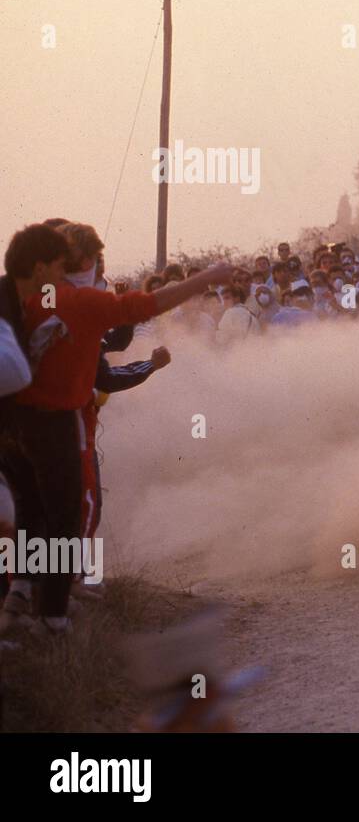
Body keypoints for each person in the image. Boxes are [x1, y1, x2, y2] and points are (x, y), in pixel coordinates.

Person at [1, 225, 231, 634]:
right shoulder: (81, 301)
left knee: (29, 510)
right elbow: (148, 304)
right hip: (55, 421)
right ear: (86, 262)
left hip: (14, 422)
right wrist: (207, 278)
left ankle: (20, 592)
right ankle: (53, 615)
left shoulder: (24, 295)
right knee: (66, 516)